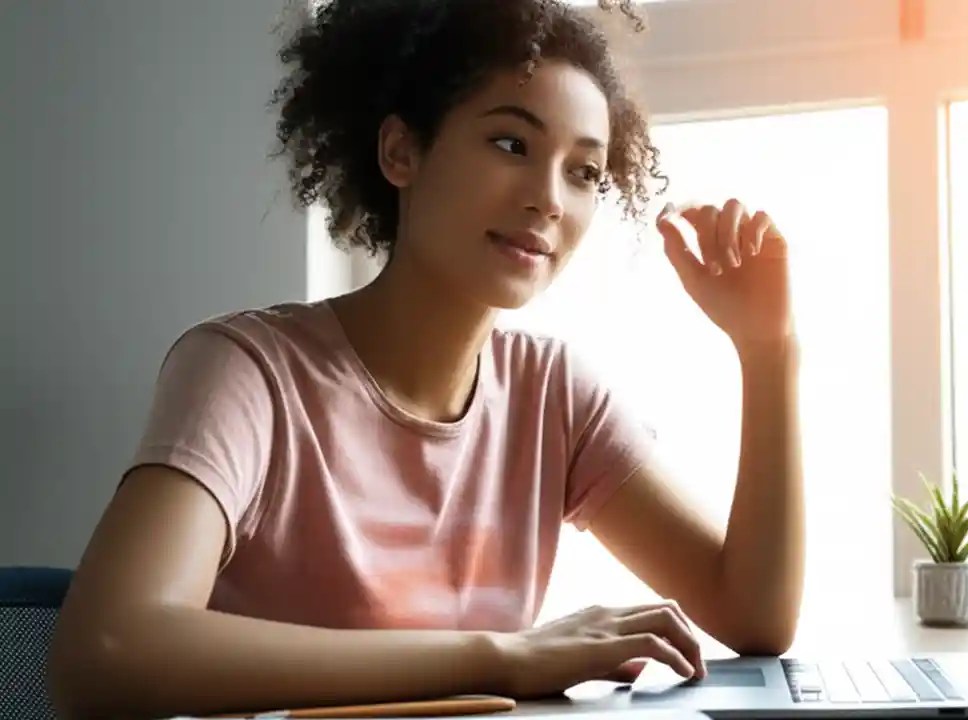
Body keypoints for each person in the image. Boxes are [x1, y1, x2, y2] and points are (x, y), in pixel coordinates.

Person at [49, 1, 804, 718]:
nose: (549, 199)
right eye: (512, 144)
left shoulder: (554, 395)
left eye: (583, 171)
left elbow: (753, 615)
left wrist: (769, 351)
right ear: (401, 150)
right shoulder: (248, 373)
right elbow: (108, 649)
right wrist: (498, 656)